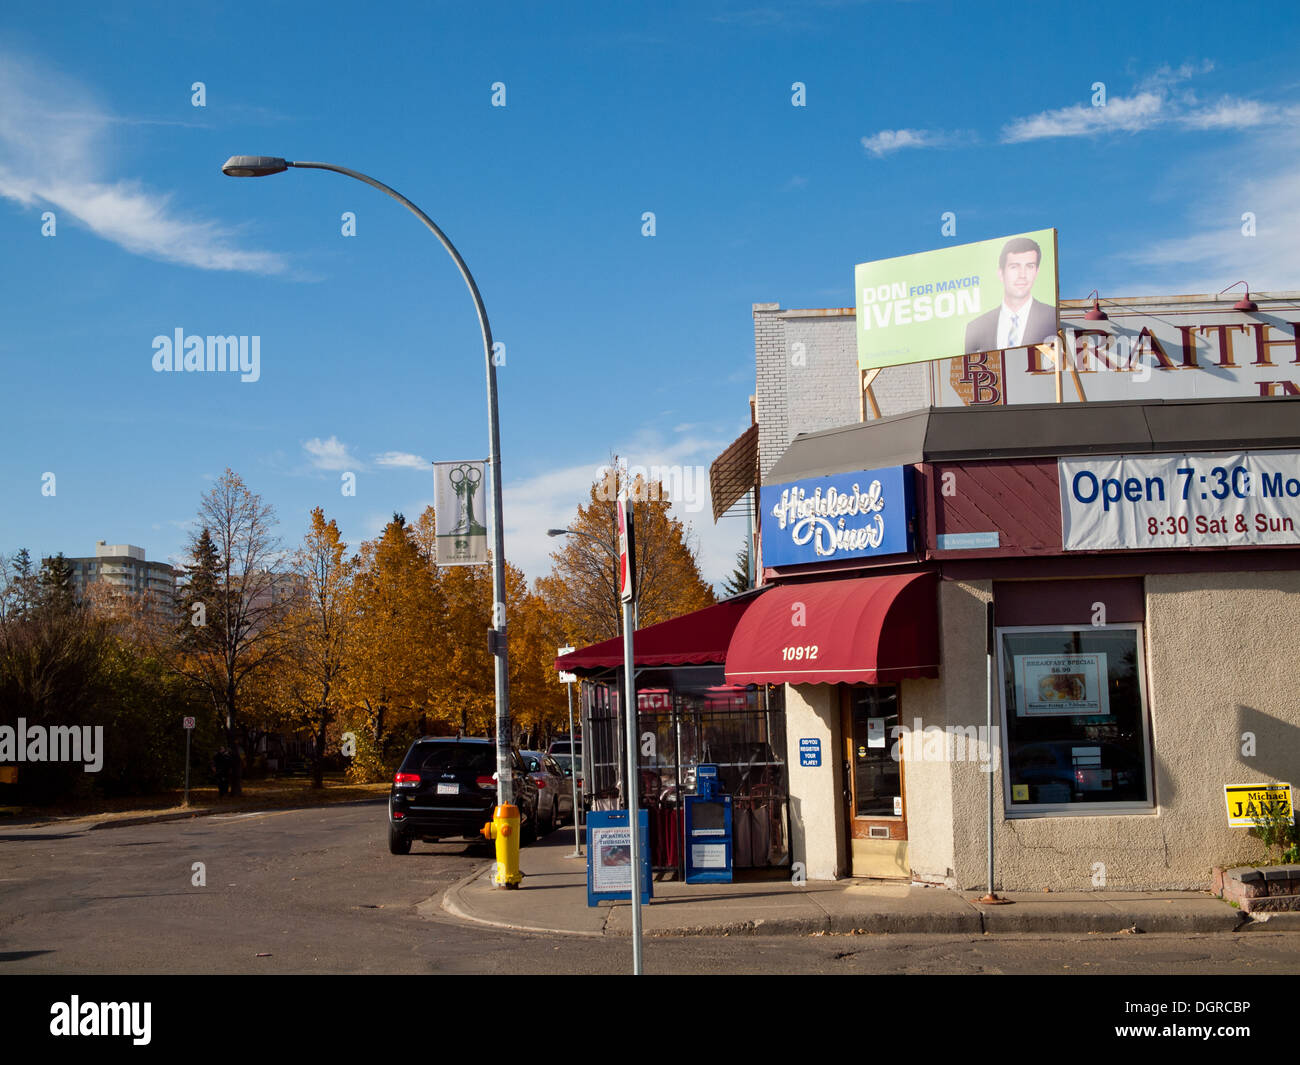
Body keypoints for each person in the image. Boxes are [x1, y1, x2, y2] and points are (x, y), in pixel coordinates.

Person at [963, 236, 1057, 353]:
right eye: (1014, 267)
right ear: (1001, 273)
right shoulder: (976, 327)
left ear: (1036, 272)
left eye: (1029, 266)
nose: (1022, 274)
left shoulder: (1052, 317)